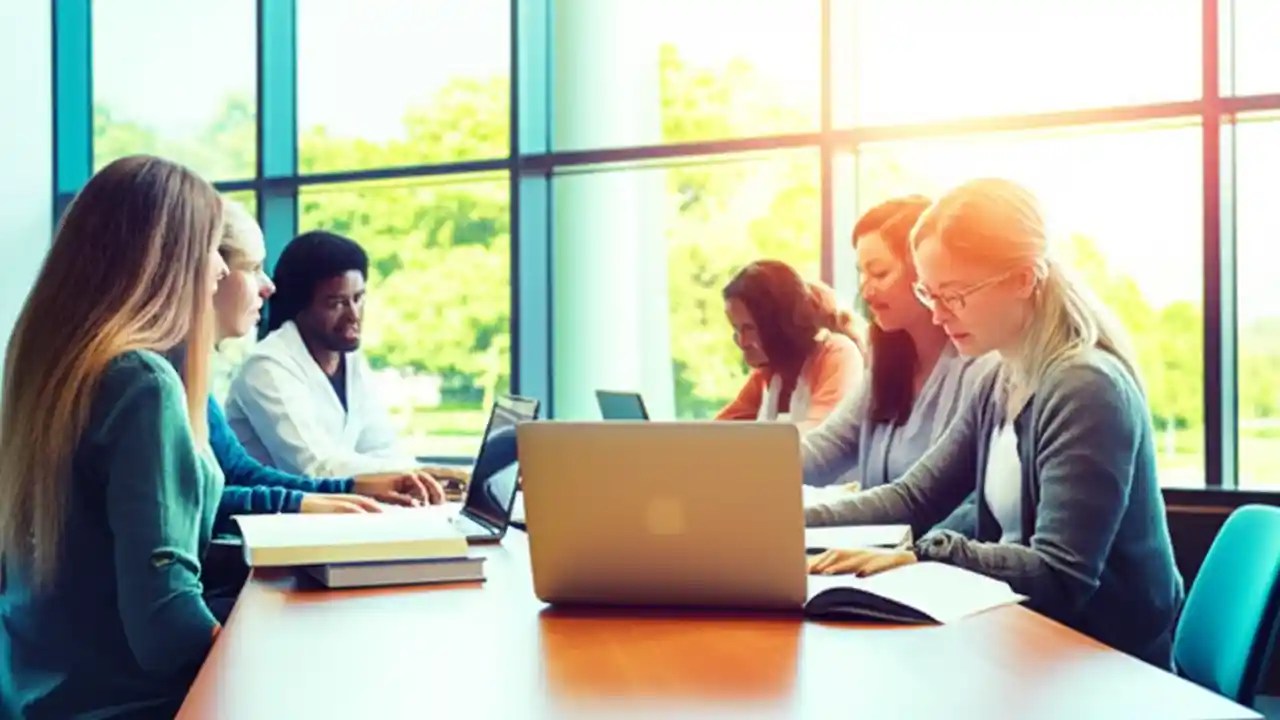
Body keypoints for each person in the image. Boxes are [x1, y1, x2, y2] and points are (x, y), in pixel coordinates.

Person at [805, 178, 1184, 668]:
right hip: (1022, 640)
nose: (937, 316)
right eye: (928, 293)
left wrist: (926, 554)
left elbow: (1061, 576)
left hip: (1103, 662)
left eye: (954, 295)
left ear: (1023, 279)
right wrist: (782, 524)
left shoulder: (1084, 386)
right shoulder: (999, 377)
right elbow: (913, 498)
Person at [0, 155, 229, 717]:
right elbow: (165, 627)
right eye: (211, 248)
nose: (221, 269)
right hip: (126, 703)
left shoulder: (49, 370)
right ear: (167, 261)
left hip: (41, 694)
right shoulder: (142, 382)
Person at [209, 201, 445, 518]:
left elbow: (382, 446)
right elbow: (314, 468)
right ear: (300, 306)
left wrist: (420, 478)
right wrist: (409, 475)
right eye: (336, 303)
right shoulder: (265, 368)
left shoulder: (351, 361)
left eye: (358, 298)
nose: (353, 315)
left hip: (316, 514)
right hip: (279, 527)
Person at [803, 195, 995, 488]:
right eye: (861, 274)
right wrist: (746, 464)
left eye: (879, 273)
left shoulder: (980, 367)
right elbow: (827, 448)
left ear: (926, 271)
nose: (866, 290)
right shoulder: (889, 364)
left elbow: (948, 499)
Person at [716, 260, 865, 428]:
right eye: (736, 329)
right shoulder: (767, 374)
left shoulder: (837, 354)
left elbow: (819, 436)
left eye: (749, 328)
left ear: (781, 324)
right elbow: (713, 433)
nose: (742, 342)